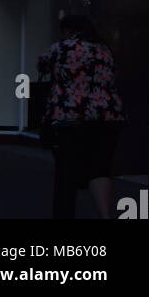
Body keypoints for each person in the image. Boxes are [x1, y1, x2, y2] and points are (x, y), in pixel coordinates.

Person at [38, 14, 124, 219]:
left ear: (68, 29)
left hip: (71, 116)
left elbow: (42, 65)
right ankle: (105, 215)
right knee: (100, 169)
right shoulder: (104, 50)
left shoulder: (63, 47)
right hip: (108, 116)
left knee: (66, 171)